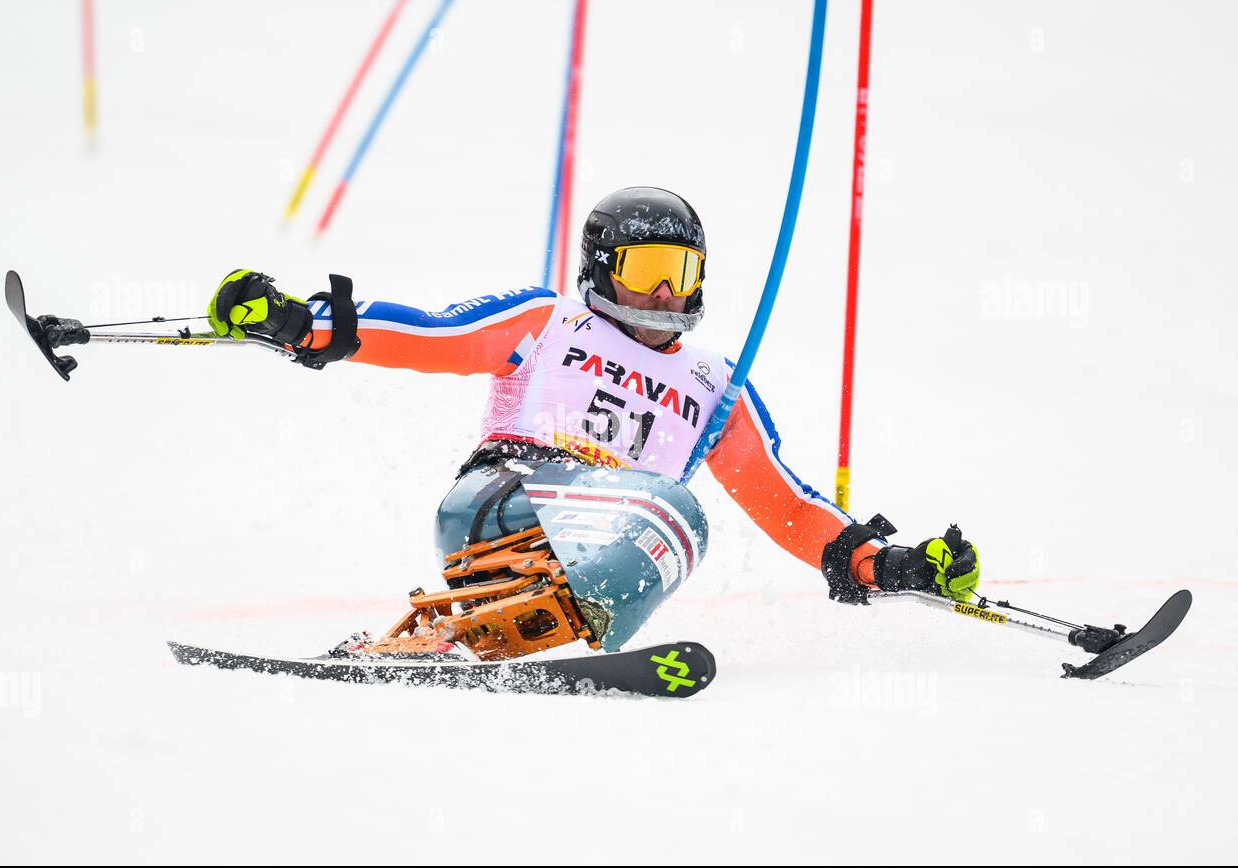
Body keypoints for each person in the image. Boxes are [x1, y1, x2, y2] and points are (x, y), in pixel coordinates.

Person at [205, 186, 979, 654]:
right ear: (603, 269)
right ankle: (506, 609)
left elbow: (783, 501)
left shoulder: (715, 385)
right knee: (672, 511)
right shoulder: (550, 322)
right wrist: (305, 324)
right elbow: (432, 335)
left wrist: (884, 561)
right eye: (647, 274)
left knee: (682, 520)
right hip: (502, 501)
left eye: (683, 275)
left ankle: (470, 635)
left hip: (609, 536)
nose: (667, 297)